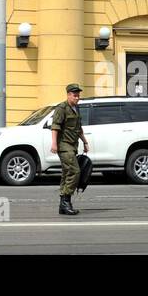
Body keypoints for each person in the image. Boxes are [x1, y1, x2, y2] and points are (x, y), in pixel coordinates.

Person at [50, 84, 90, 217]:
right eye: (75, 95)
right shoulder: (61, 108)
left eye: (78, 95)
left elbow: (78, 128)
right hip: (64, 145)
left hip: (73, 145)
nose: (77, 97)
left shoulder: (76, 108)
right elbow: (55, 126)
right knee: (75, 171)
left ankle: (63, 204)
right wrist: (54, 144)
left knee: (67, 173)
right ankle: (66, 200)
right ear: (68, 95)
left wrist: (84, 141)